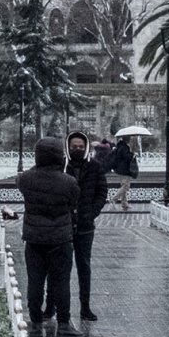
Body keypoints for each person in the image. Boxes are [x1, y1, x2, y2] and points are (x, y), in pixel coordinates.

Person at [14, 137, 83, 337]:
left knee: (35, 281)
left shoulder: (26, 179)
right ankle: (63, 324)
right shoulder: (69, 182)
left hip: (34, 238)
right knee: (61, 282)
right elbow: (74, 201)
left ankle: (35, 323)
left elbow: (23, 187)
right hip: (60, 238)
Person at [64, 130, 109, 322]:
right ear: (68, 147)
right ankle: (58, 308)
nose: (77, 149)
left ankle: (85, 307)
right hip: (65, 225)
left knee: (84, 267)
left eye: (81, 147)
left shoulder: (94, 167)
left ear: (86, 148)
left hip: (85, 225)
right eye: (74, 146)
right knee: (62, 268)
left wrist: (91, 212)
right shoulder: (62, 166)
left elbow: (102, 191)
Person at [107, 134, 139, 210]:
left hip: (121, 170)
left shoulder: (120, 146)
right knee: (126, 186)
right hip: (124, 170)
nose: (130, 139)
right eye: (129, 138)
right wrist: (133, 154)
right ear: (126, 139)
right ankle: (113, 200)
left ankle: (124, 204)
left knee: (123, 186)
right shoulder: (124, 147)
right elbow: (126, 157)